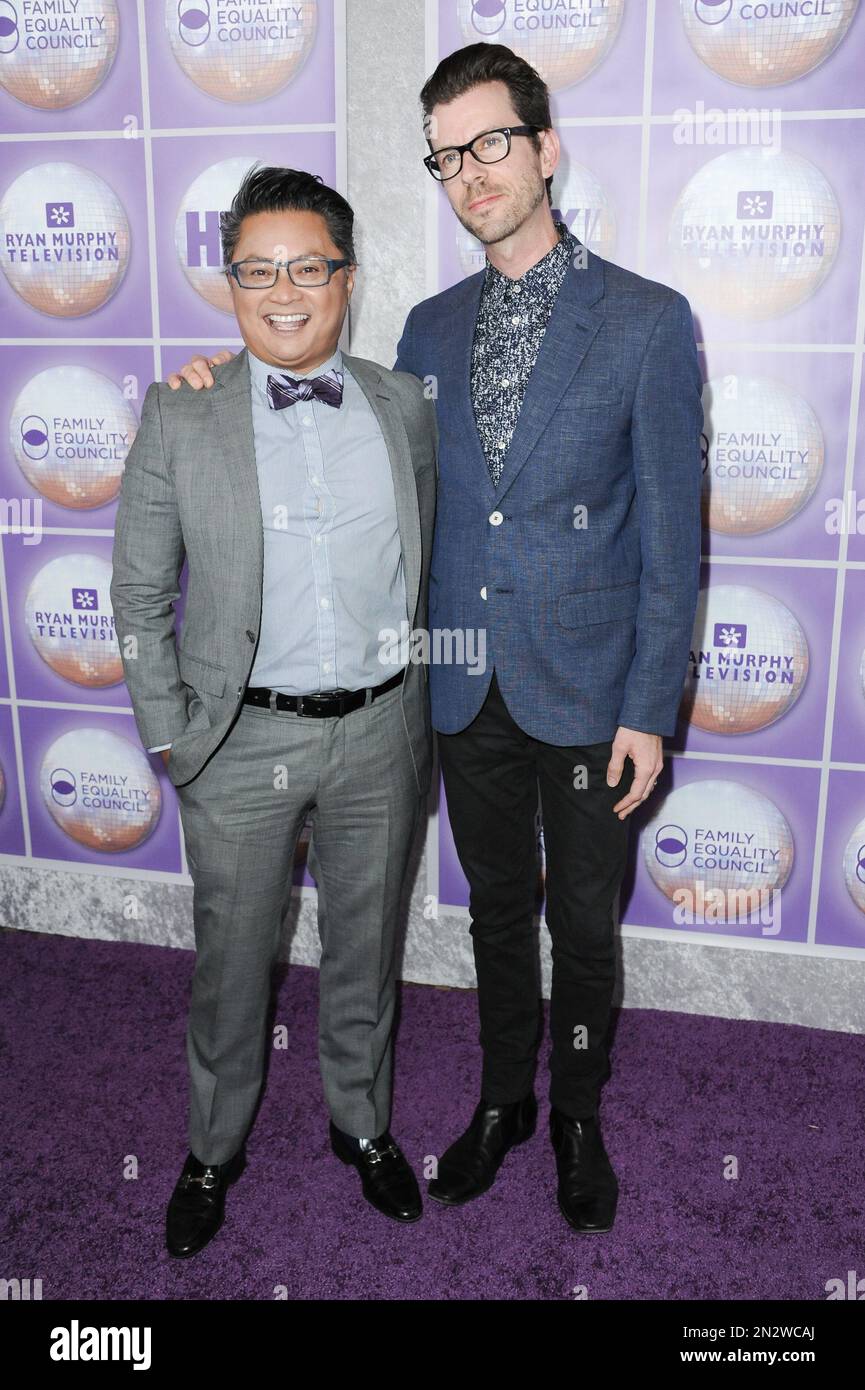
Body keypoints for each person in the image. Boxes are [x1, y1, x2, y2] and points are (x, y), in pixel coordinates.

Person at [165, 42, 703, 1236]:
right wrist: (218, 378)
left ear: (545, 149)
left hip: (589, 691)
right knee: (495, 912)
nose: (470, 172)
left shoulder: (648, 322)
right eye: (448, 154)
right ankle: (502, 1100)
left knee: (582, 925)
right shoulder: (424, 327)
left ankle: (574, 1112)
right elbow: (330, 412)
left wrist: (648, 708)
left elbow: (673, 536)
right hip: (458, 689)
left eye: (491, 143)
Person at [110, 164, 438, 1257]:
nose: (283, 291)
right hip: (238, 742)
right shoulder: (181, 410)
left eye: (308, 267)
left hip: (382, 734)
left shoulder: (402, 404)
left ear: (346, 277)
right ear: (230, 281)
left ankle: (363, 1124)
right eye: (258, 269)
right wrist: (169, 730)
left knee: (365, 947)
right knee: (232, 959)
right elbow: (139, 593)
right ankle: (212, 1146)